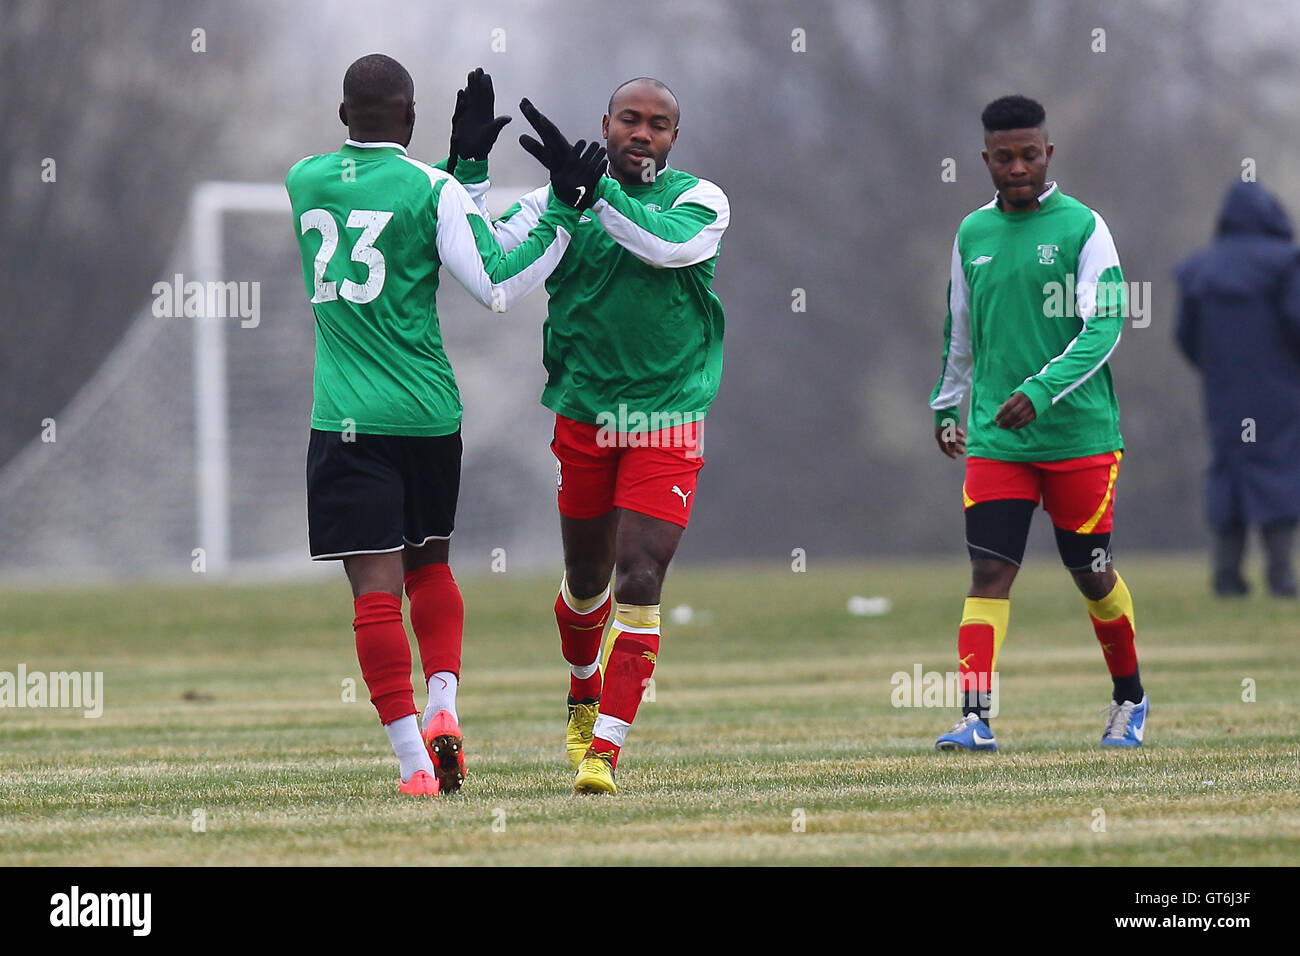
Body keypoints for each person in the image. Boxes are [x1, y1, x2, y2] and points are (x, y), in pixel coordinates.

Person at [285, 55, 604, 796]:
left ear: (342, 117)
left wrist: (459, 168)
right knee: (431, 568)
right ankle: (444, 707)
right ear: (409, 116)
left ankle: (412, 767)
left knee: (374, 590)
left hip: (347, 421)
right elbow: (493, 282)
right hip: (429, 415)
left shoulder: (302, 179)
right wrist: (560, 207)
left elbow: (378, 200)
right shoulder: (432, 191)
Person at [446, 75, 729, 793]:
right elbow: (487, 268)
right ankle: (581, 686)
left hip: (667, 417)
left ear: (674, 137)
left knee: (641, 576)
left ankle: (604, 750)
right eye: (629, 119)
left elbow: (665, 248)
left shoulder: (701, 202)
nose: (642, 133)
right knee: (585, 581)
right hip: (585, 416)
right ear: (605, 123)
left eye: (658, 124)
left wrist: (596, 195)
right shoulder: (553, 202)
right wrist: (468, 174)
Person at [928, 94, 1147, 751]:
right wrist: (947, 403)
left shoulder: (1084, 227)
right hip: (999, 438)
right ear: (986, 159)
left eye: (1029, 155)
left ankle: (1130, 699)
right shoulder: (972, 234)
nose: (1017, 167)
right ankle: (976, 717)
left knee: (1092, 574)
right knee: (989, 574)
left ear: (1048, 153)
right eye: (1004, 157)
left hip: (1079, 436)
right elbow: (958, 330)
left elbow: (1105, 323)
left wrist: (1044, 390)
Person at [1174, 181, 1300, 598]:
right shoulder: (1286, 264)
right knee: (1279, 470)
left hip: (1223, 392)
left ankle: (1227, 575)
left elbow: (1185, 336)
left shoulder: (1200, 270)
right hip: (1280, 389)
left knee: (1228, 469)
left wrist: (1219, 369)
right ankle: (1280, 574)